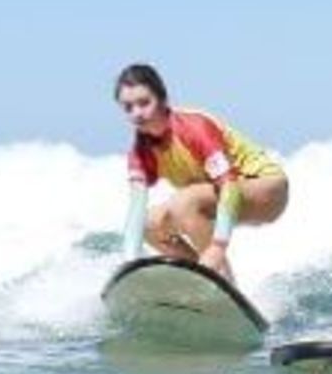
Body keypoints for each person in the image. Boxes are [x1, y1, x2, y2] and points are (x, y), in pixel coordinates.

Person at [114, 64, 288, 281]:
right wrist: (130, 265)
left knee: (184, 202)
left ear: (163, 100)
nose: (137, 113)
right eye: (128, 107)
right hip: (218, 199)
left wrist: (218, 246)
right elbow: (136, 208)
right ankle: (201, 279)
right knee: (149, 224)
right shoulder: (140, 153)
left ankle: (222, 278)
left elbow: (229, 185)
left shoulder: (193, 127)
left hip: (267, 188)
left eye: (144, 103)